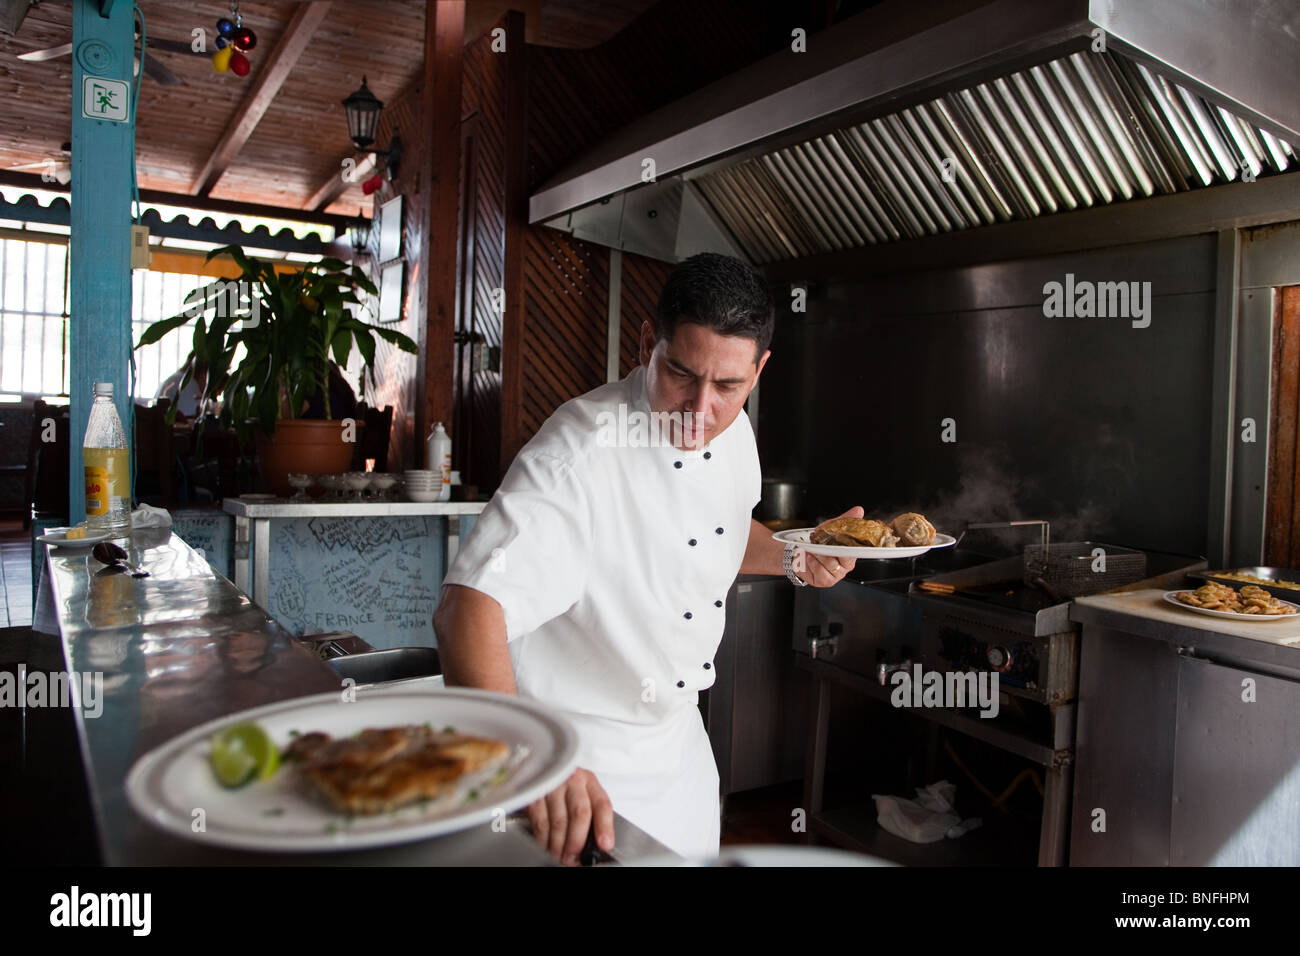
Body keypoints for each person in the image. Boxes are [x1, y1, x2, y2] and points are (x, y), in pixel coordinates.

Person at [434, 253, 860, 864]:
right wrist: (529, 760)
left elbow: (715, 531)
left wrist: (798, 555)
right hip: (574, 772)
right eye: (681, 374)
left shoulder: (732, 431)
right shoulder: (577, 454)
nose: (699, 408)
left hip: (680, 757)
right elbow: (465, 610)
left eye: (728, 386)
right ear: (645, 344)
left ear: (759, 370)